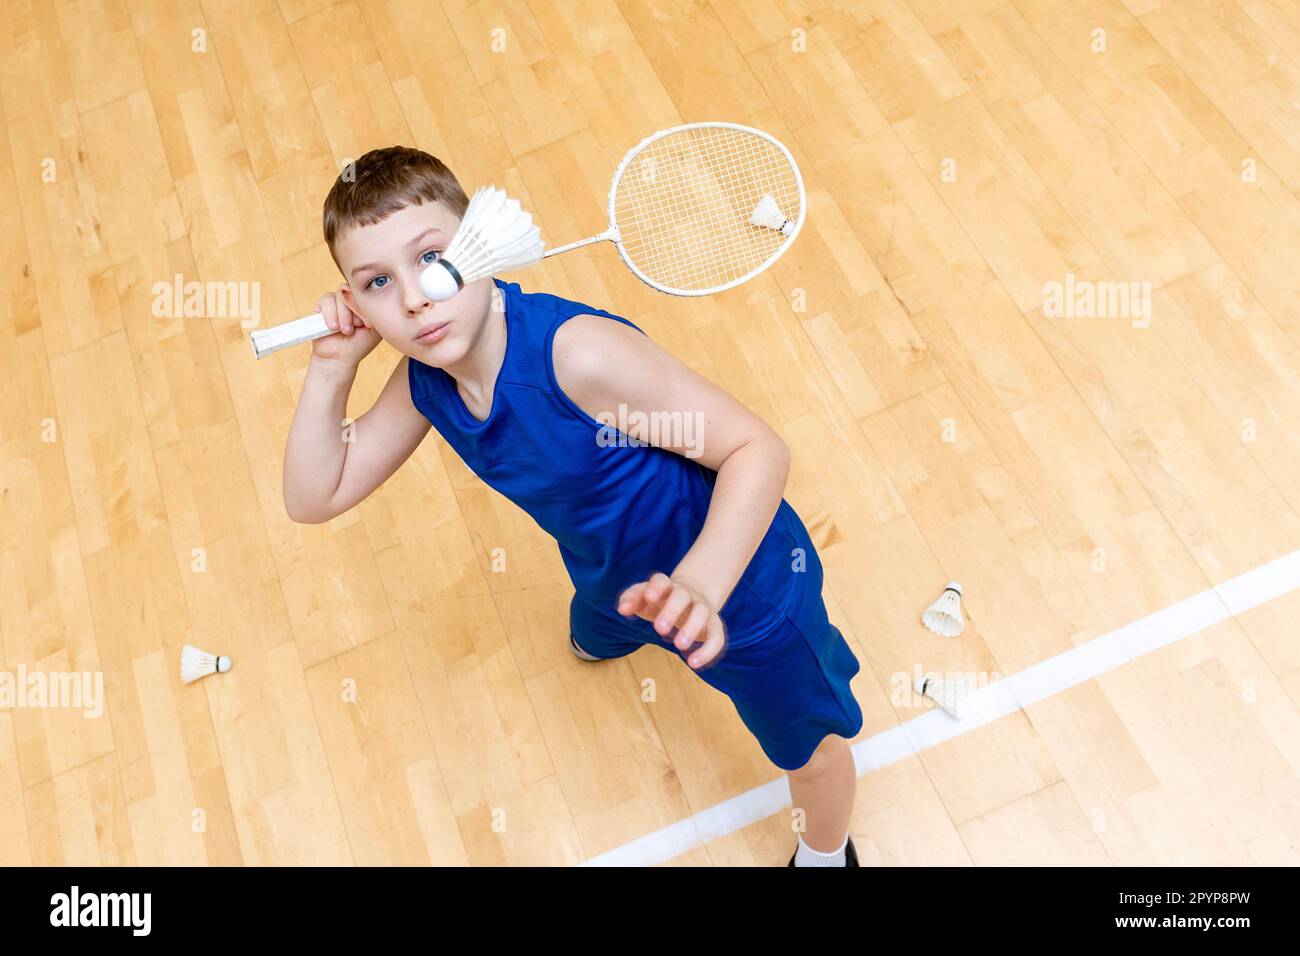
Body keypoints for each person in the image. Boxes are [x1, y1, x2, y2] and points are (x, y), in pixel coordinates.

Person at [282, 145, 863, 867]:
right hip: (614, 577)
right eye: (375, 282)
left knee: (808, 753)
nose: (411, 298)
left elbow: (758, 449)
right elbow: (315, 495)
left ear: (482, 243)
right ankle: (619, 629)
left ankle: (827, 852)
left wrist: (701, 587)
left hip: (739, 587)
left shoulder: (580, 356)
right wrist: (332, 370)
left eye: (429, 258)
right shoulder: (427, 379)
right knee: (599, 628)